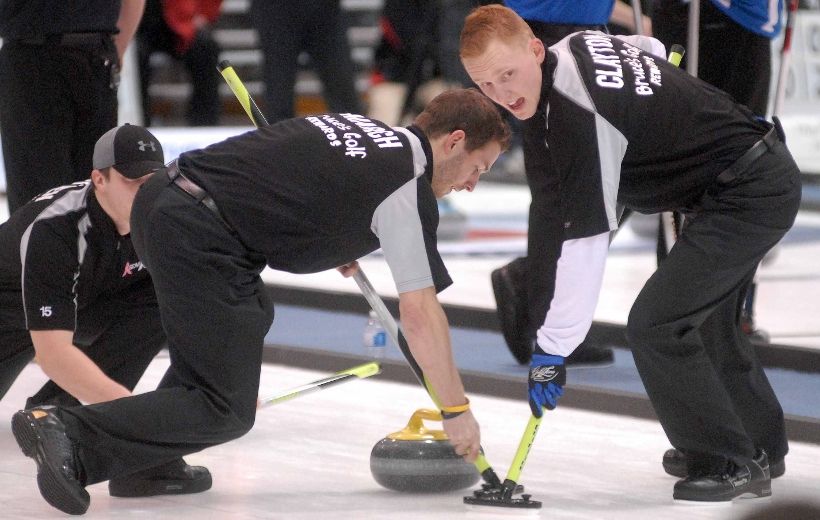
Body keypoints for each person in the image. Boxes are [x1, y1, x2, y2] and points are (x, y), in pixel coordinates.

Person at [11, 88, 511, 515]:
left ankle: (148, 463)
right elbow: (421, 315)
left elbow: (297, 175)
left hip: (170, 203)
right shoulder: (407, 184)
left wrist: (336, 235)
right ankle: (67, 429)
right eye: (478, 168)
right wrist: (455, 409)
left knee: (248, 316)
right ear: (455, 141)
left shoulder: (360, 126)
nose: (471, 182)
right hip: (201, 232)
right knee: (224, 407)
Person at [461, 5, 798, 502]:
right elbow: (647, 51)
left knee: (657, 323)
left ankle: (727, 461)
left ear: (535, 50)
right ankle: (759, 443)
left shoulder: (575, 116)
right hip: (746, 177)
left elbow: (586, 243)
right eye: (486, 85)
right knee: (704, 318)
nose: (503, 95)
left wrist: (554, 348)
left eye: (508, 75)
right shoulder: (577, 45)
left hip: (748, 192)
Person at [0, 124, 212, 499]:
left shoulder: (167, 214)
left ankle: (57, 412)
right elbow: (53, 354)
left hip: (84, 300)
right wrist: (140, 421)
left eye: (153, 180)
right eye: (133, 181)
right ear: (99, 178)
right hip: (9, 306)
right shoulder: (57, 227)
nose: (146, 192)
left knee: (170, 295)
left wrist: (225, 375)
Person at [652, 0, 786, 477]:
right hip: (700, 20)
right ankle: (739, 434)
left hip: (729, 21)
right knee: (686, 301)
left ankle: (740, 438)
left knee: (689, 303)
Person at [490, 0, 651, 366]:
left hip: (581, 30)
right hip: (546, 32)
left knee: (612, 177)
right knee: (564, 182)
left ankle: (533, 282)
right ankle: (546, 313)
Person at [0, 0, 145, 214]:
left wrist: (116, 52)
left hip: (88, 55)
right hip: (34, 54)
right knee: (40, 199)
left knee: (97, 193)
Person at [248, 0, 364, 123]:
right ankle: (280, 138)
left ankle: (355, 133)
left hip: (325, 9)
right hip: (274, 9)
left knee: (341, 80)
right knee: (278, 86)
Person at [137, 0, 223, 126]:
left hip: (182, 18)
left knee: (206, 48)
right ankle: (139, 124)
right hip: (140, 21)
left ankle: (204, 125)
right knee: (135, 56)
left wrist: (204, 15)